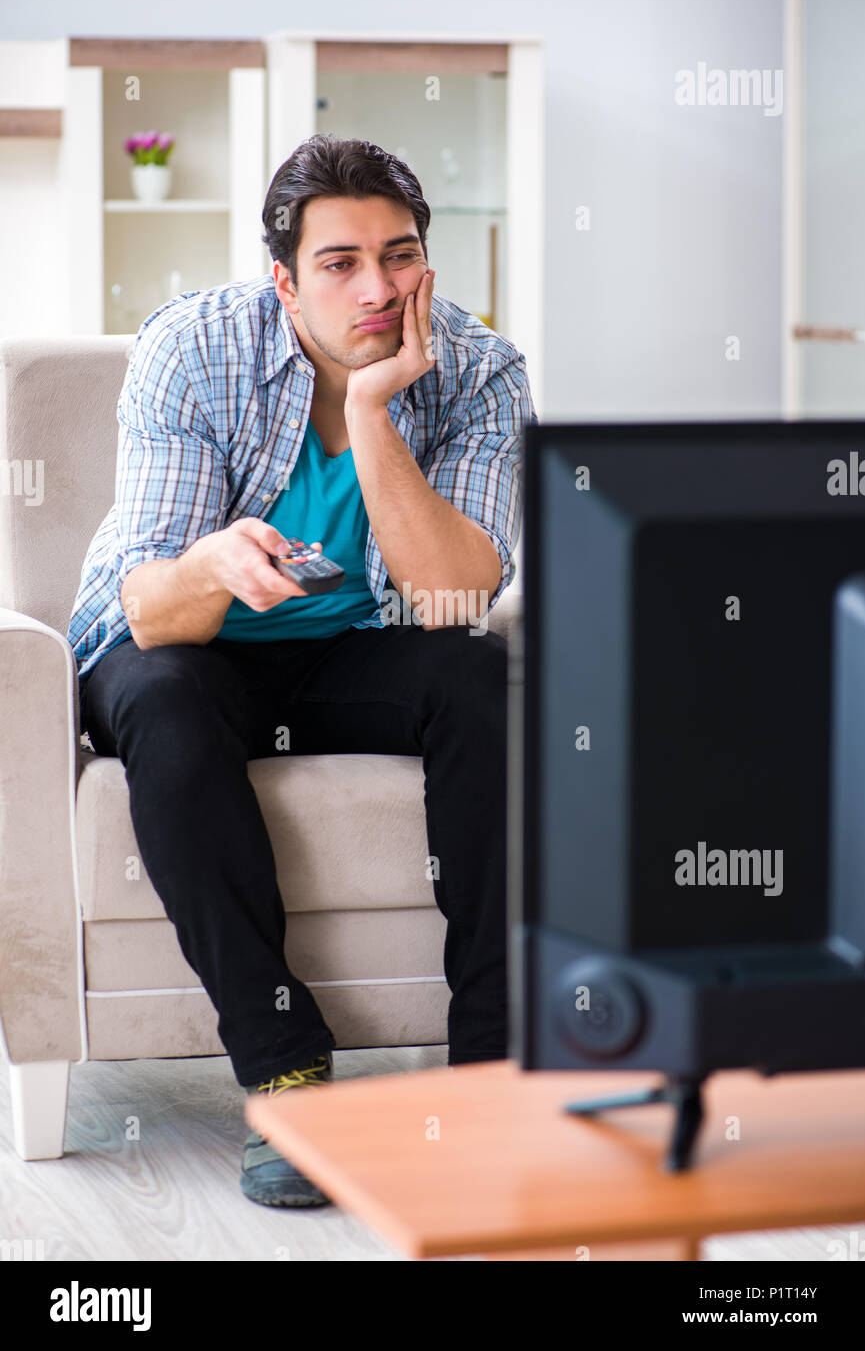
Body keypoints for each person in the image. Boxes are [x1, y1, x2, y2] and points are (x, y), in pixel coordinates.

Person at [67, 133, 536, 1207]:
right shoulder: (194, 347)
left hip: (349, 649)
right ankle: (286, 1070)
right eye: (339, 263)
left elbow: (451, 598)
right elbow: (143, 605)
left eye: (401, 254)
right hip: (190, 646)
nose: (379, 287)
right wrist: (215, 562)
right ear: (285, 280)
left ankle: (493, 1064)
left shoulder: (480, 368)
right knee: (170, 702)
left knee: (483, 677)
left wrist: (375, 408)